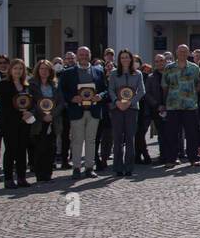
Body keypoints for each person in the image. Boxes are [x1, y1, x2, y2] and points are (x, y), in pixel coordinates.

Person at [59, 46, 107, 180]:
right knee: (77, 140)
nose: (84, 57)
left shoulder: (98, 71)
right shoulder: (68, 72)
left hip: (94, 111)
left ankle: (89, 168)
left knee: (91, 141)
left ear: (90, 55)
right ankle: (76, 168)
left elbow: (105, 89)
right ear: (77, 56)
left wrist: (100, 96)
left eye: (86, 54)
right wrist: (71, 98)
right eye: (81, 54)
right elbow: (62, 91)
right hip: (76, 111)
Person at [161, 44, 200, 167]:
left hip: (190, 106)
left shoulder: (194, 68)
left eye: (185, 51)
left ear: (188, 53)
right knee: (172, 134)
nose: (182, 53)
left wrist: (192, 93)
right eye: (180, 51)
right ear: (176, 52)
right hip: (173, 106)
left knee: (192, 134)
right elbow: (164, 86)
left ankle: (193, 158)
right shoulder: (169, 68)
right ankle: (171, 159)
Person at [0, 58, 37, 189]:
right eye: (15, 68)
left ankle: (21, 178)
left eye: (20, 69)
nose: (18, 71)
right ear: (10, 70)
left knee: (22, 150)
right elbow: (4, 106)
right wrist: (19, 113)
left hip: (24, 123)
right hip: (9, 123)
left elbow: (32, 102)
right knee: (10, 150)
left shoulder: (26, 85)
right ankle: (8, 179)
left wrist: (29, 112)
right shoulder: (3, 84)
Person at [107, 49, 144, 176]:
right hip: (117, 108)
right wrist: (117, 102)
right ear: (119, 59)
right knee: (117, 138)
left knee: (130, 138)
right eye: (122, 57)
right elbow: (111, 90)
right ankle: (118, 167)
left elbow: (142, 91)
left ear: (131, 59)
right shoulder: (114, 74)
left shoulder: (138, 74)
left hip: (132, 109)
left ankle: (129, 167)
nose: (125, 59)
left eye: (127, 57)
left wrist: (130, 102)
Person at [29, 59, 63, 182]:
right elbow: (31, 103)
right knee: (39, 148)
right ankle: (39, 174)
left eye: (47, 69)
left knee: (51, 147)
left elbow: (61, 103)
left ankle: (48, 173)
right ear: (38, 70)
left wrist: (52, 115)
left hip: (53, 120)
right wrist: (43, 115)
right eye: (42, 69)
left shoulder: (55, 85)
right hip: (39, 120)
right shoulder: (32, 85)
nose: (44, 71)